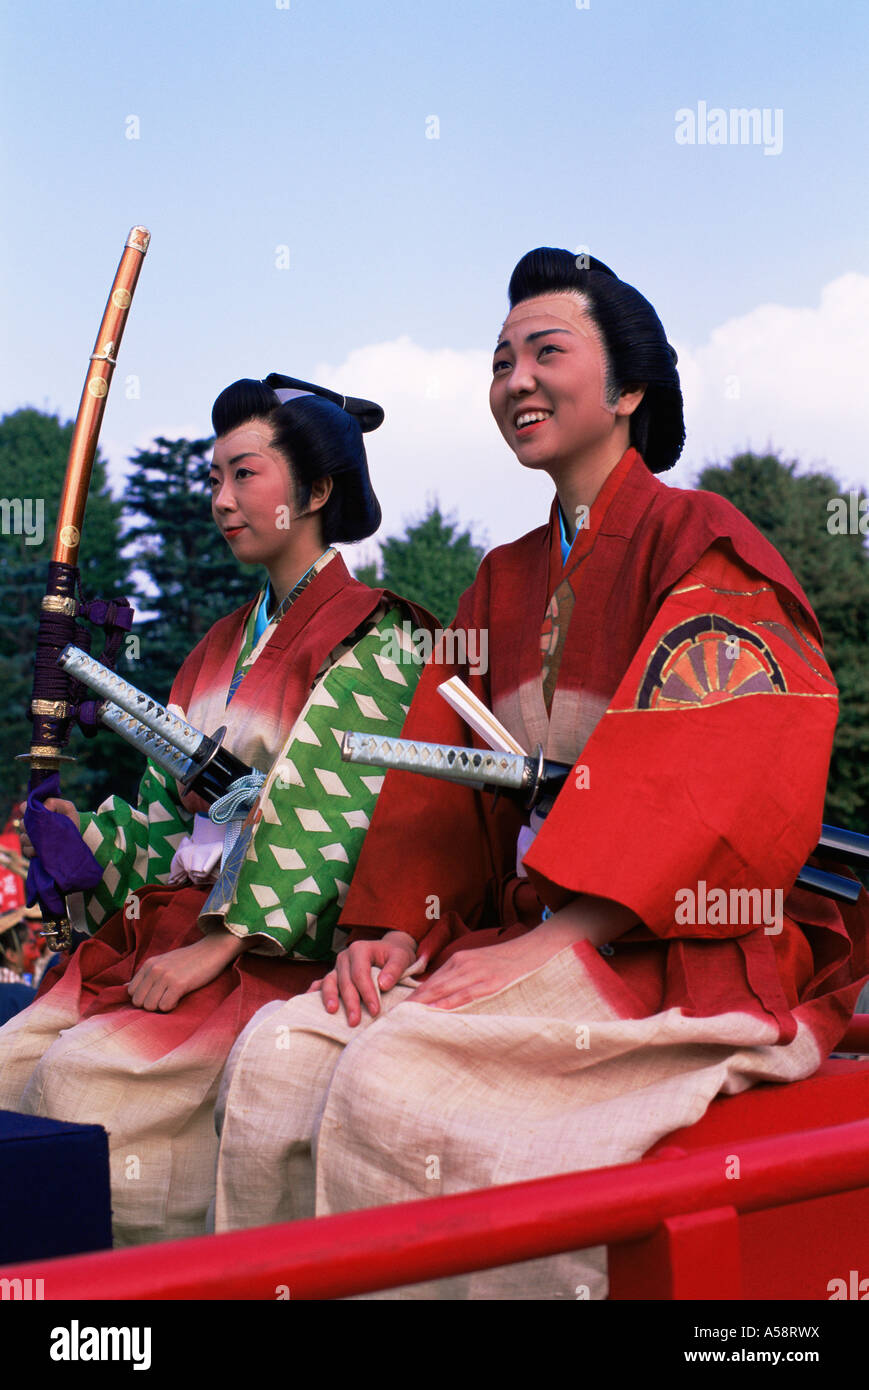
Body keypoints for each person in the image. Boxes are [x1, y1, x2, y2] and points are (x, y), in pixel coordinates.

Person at [213, 251, 869, 1298]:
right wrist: (394, 926)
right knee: (279, 1050)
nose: (513, 377)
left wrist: (565, 933)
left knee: (391, 1077)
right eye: (498, 359)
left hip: (663, 941)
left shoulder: (706, 541)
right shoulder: (498, 576)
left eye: (544, 352)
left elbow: (718, 767)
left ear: (625, 389)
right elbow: (440, 784)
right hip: (525, 928)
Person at [0, 373, 431, 1246]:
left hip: (278, 945)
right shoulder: (216, 647)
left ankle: (141, 1299)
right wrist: (83, 840)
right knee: (11, 1064)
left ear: (314, 491)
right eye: (213, 480)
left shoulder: (380, 632)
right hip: (180, 932)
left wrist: (224, 940)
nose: (221, 501)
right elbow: (171, 817)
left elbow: (338, 801)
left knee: (85, 1089)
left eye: (245, 475)